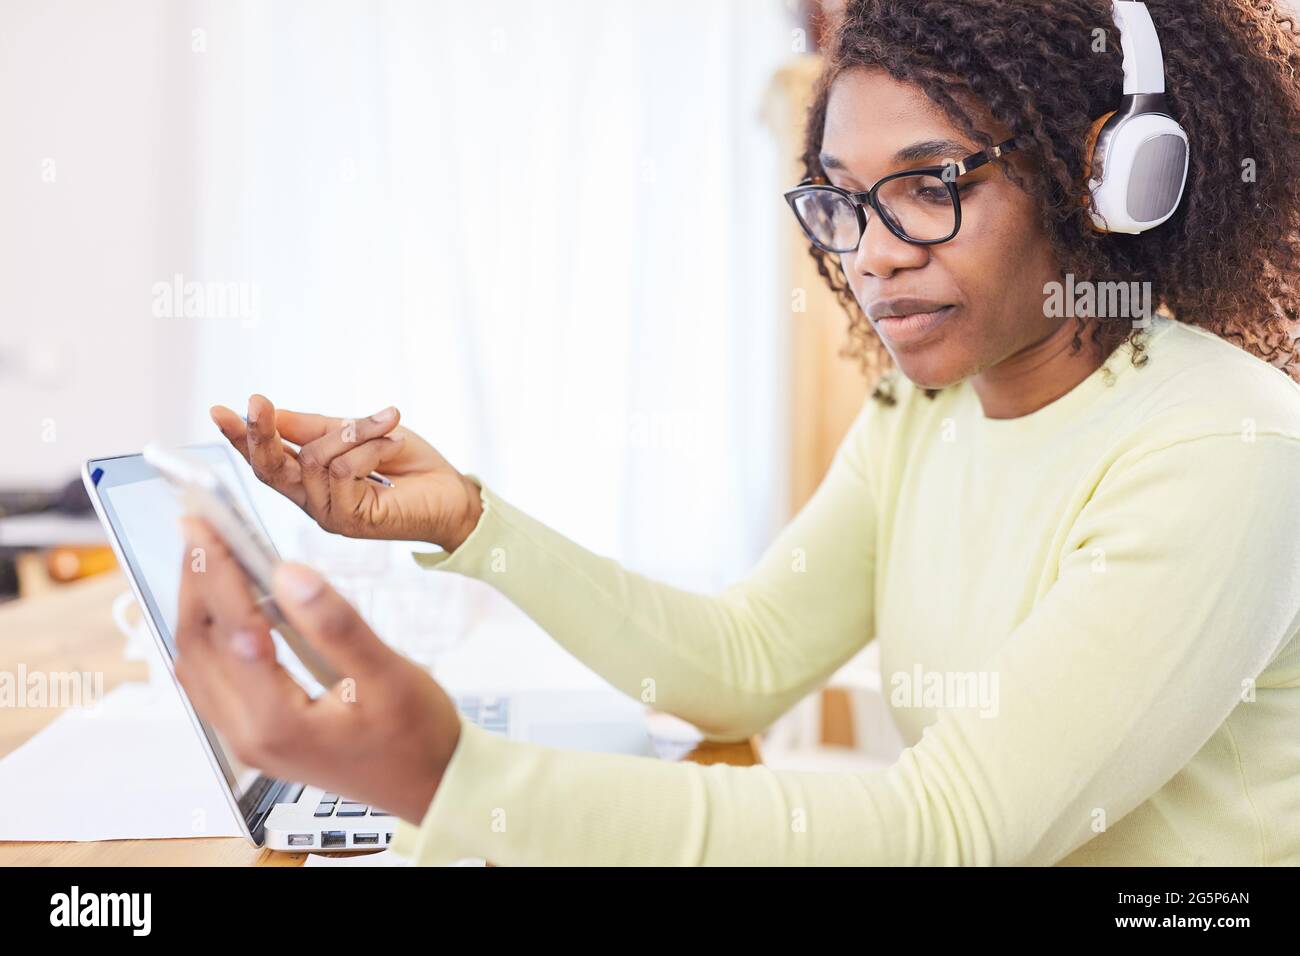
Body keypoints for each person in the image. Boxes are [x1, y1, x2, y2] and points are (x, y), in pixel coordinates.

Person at [173, 0, 1300, 865]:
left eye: (927, 185)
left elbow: (951, 829)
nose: (871, 253)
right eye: (841, 200)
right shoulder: (927, 412)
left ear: (1099, 178)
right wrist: (473, 520)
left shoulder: (1221, 449)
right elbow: (741, 661)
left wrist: (459, 779)